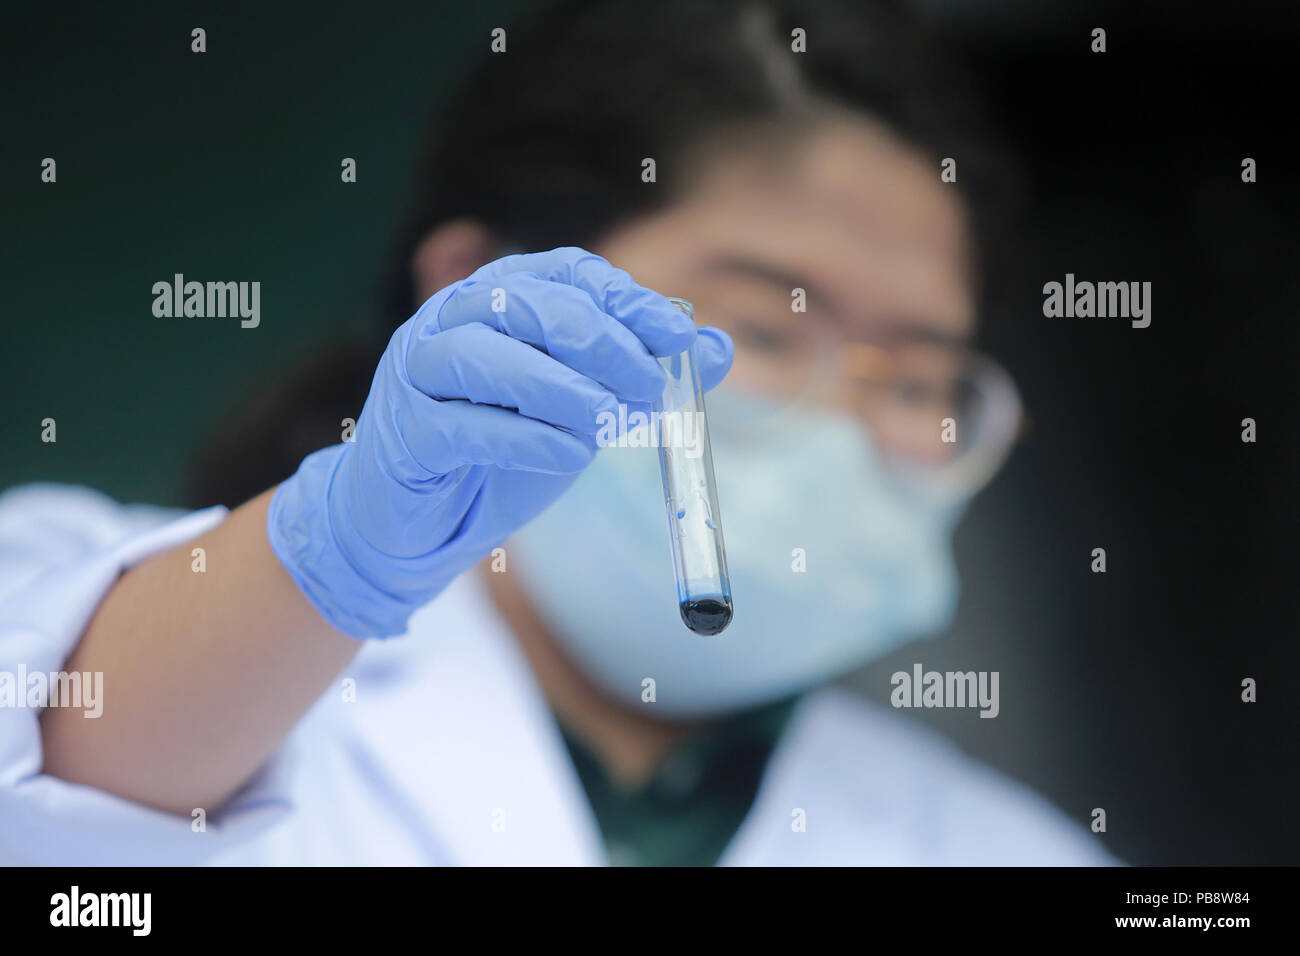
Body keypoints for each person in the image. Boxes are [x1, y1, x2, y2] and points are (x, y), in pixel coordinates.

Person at [0, 0, 1114, 865]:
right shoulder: (62, 596)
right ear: (480, 285)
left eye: (917, 380)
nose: (841, 421)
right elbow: (51, 804)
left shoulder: (1002, 848)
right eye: (766, 330)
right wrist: (331, 559)